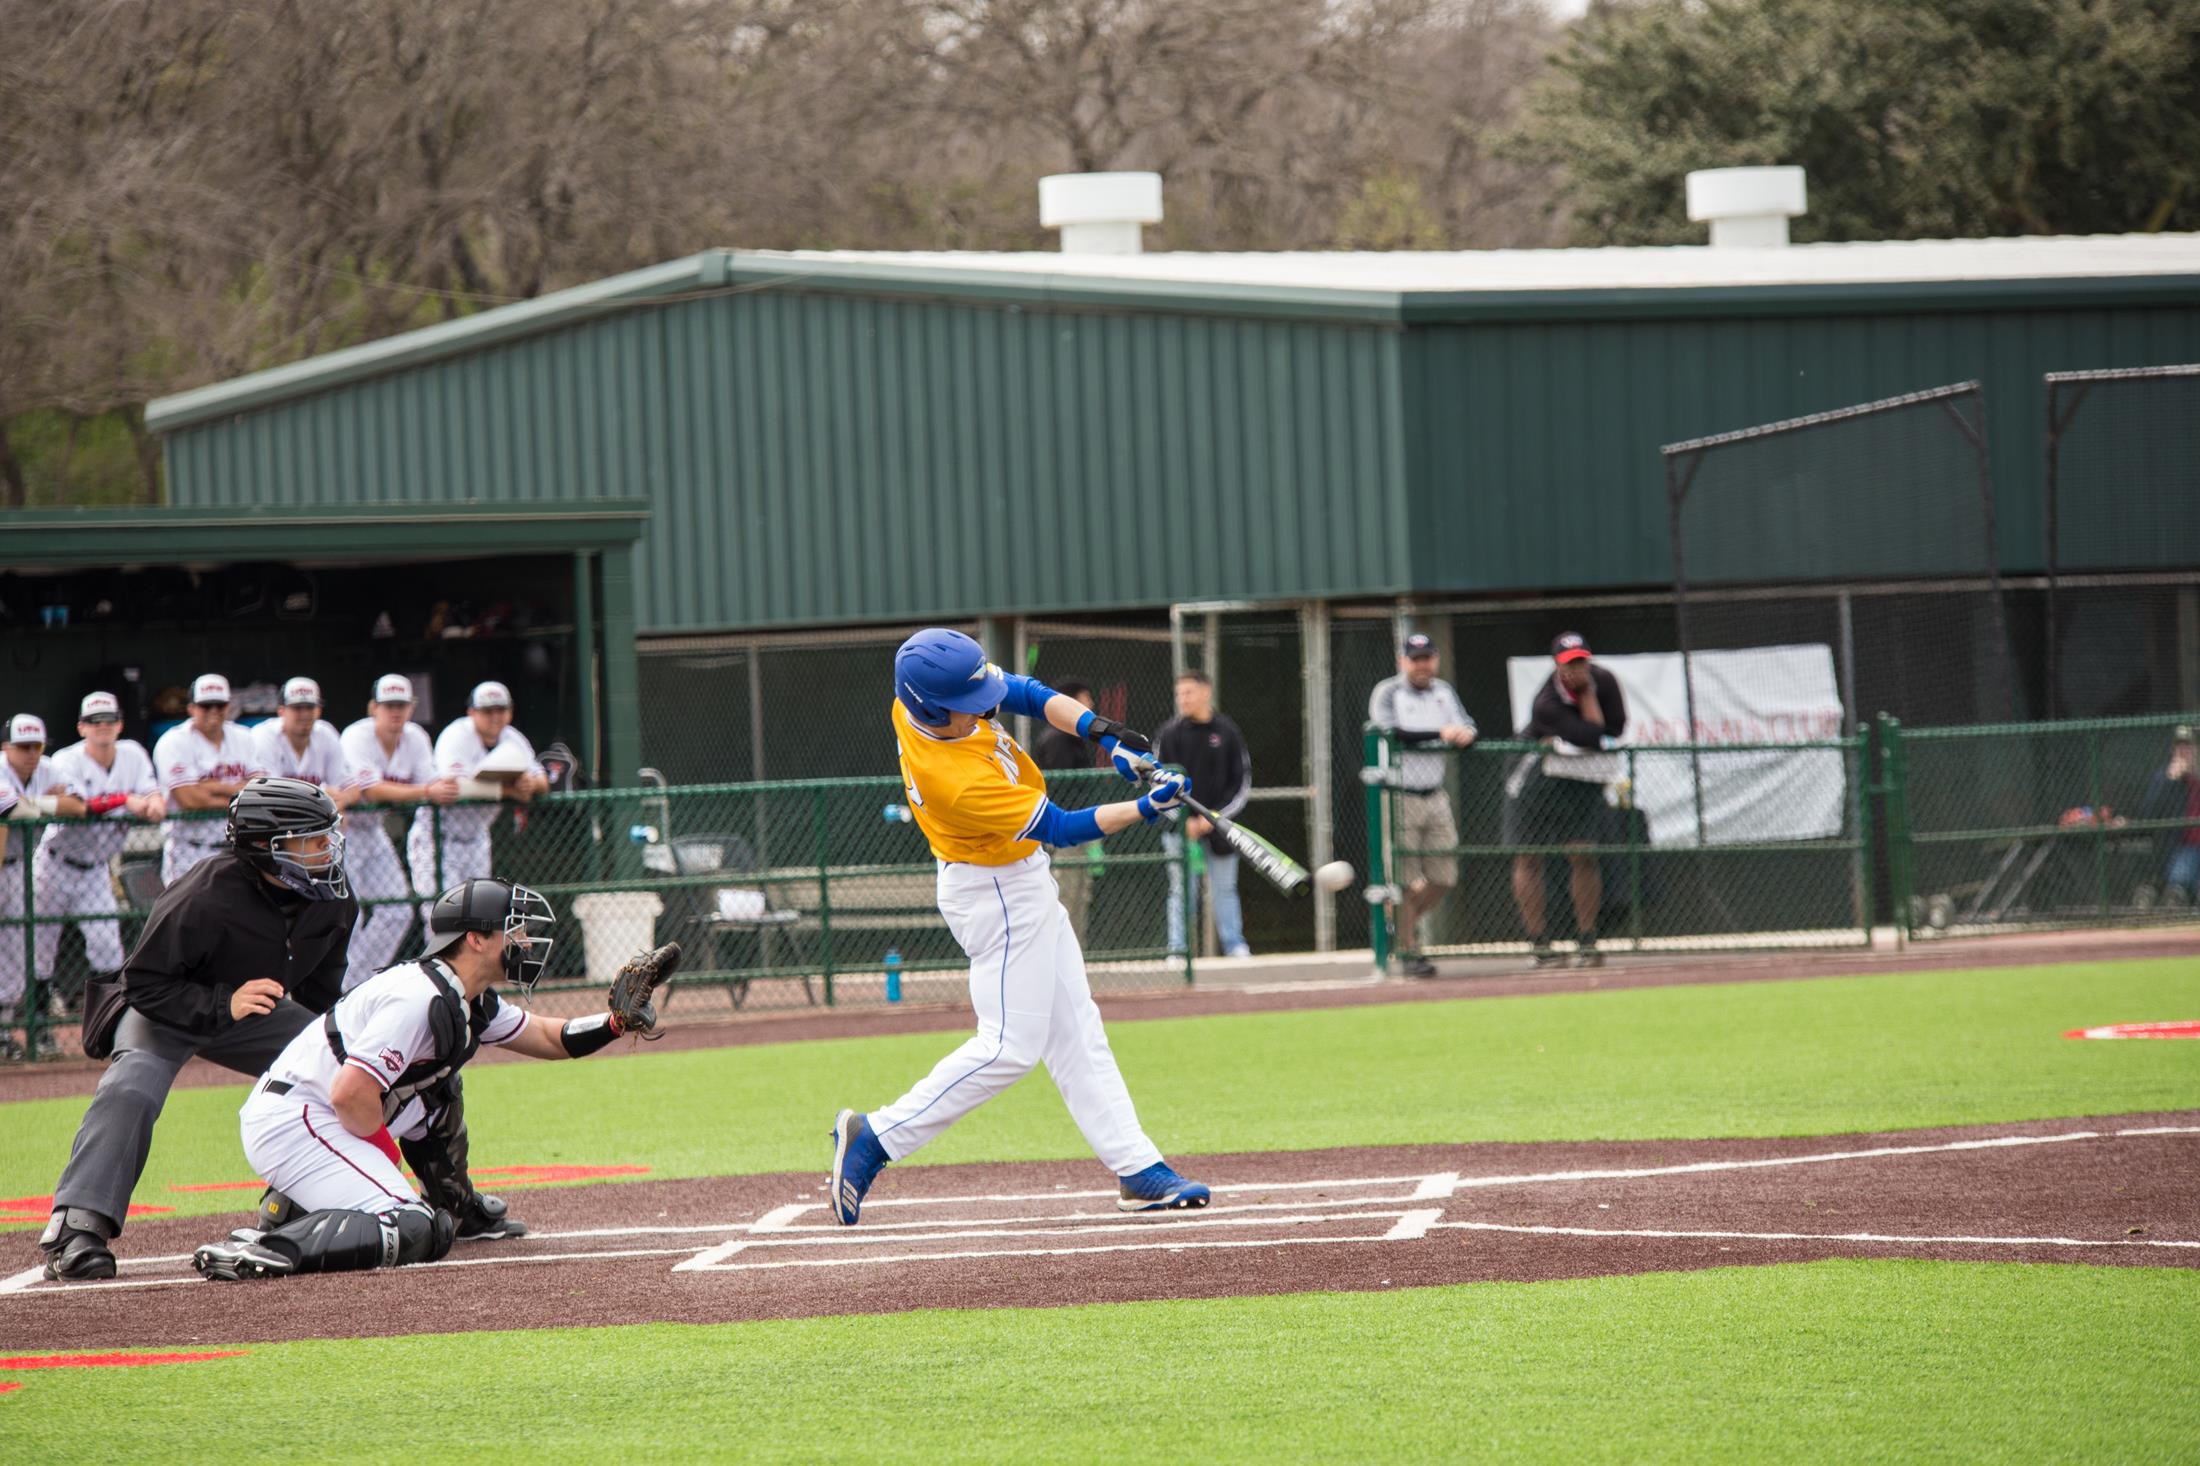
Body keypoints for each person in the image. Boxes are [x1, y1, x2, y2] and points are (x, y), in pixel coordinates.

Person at [827, 629, 1209, 1226]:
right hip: (995, 892)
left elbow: (1027, 692)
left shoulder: (922, 695)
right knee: (1009, 1047)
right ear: (932, 707)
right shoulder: (952, 778)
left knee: (1078, 1033)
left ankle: (1138, 1170)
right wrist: (1145, 807)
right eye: (971, 703)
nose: (986, 707)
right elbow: (1060, 827)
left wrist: (1105, 735)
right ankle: (874, 1137)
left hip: (1017, 881)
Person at [189, 878, 660, 1281]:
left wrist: (616, 1022)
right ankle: (267, 1248)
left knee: (438, 1094)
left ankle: (440, 1208)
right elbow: (351, 1094)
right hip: (298, 1119)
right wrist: (387, 1163)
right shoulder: (419, 998)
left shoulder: (464, 995)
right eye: (512, 929)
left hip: (317, 1116)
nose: (525, 940)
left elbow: (549, 1037)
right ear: (475, 939)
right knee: (414, 1227)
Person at [35, 777, 356, 1280]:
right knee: (131, 1086)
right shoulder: (205, 893)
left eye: (327, 836)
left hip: (252, 1013)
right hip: (166, 1005)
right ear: (267, 849)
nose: (327, 850)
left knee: (344, 1065)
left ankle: (309, 1203)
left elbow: (323, 998)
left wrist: (345, 1042)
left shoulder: (332, 897)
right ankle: (75, 1226)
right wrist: (223, 1002)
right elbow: (144, 983)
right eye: (312, 839)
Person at [36, 694, 165, 1026]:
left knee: (108, 948)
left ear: (120, 724)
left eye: (109, 720)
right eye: (94, 722)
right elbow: (82, 805)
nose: (102, 727)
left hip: (96, 871)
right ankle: (38, 1025)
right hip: (55, 864)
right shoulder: (65, 760)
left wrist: (152, 803)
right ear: (82, 728)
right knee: (41, 947)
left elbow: (152, 795)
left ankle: (106, 1022)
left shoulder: (133, 755)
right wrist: (128, 800)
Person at [1505, 633, 1628, 968]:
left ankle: (1587, 941)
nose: (1576, 669)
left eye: (1580, 661)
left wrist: (1588, 691)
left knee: (1583, 854)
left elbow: (1612, 730)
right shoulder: (1547, 702)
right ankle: (1540, 944)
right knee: (1529, 857)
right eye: (1568, 663)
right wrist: (1590, 714)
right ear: (1557, 666)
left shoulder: (1603, 681)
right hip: (1536, 777)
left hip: (1580, 778)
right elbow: (1591, 733)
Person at [1366, 633, 1477, 977]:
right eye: (1415, 658)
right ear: (1403, 661)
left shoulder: (1443, 691)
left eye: (1427, 657)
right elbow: (1391, 732)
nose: (1422, 664)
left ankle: (1397, 929)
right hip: (1400, 794)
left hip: (1435, 794)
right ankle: (1410, 950)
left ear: (1436, 659)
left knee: (1444, 876)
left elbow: (1466, 726)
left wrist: (1465, 735)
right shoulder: (1389, 691)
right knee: (1406, 880)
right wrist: (1440, 734)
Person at [340, 675, 457, 992]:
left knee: (398, 911)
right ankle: (341, 984)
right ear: (373, 708)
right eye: (389, 705)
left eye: (402, 705)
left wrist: (436, 788)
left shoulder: (415, 737)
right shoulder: (357, 736)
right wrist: (426, 790)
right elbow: (374, 791)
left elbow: (431, 783)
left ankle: (356, 983)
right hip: (343, 833)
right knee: (349, 916)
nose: (396, 712)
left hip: (374, 832)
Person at [408, 681, 549, 900]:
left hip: (477, 840)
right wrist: (509, 791)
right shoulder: (457, 734)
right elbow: (455, 787)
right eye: (487, 710)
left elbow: (542, 779)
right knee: (442, 912)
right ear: (472, 712)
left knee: (477, 913)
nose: (495, 716)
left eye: (500, 710)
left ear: (510, 712)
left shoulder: (512, 738)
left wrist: (530, 783)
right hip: (437, 837)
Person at [4, 715, 88, 1059]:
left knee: (12, 952)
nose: (31, 754)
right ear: (6, 746)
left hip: (18, 868)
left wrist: (34, 804)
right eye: (23, 746)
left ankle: (4, 1032)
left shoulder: (49, 769)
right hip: (7, 864)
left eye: (36, 746)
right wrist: (48, 803)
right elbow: (11, 810)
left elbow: (78, 807)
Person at [1156, 670, 1255, 958]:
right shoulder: (1169, 734)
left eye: (1188, 692)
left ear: (1206, 692)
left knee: (1226, 889)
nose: (1183, 699)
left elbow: (1241, 782)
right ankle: (1177, 951)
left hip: (1220, 829)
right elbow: (1157, 782)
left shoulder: (1227, 732)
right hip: (1180, 831)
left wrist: (1213, 818)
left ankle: (1235, 946)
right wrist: (1184, 820)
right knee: (1180, 891)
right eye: (1179, 693)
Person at [152, 673, 264, 887]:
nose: (213, 711)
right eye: (206, 705)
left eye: (219, 705)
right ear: (191, 708)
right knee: (192, 918)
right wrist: (239, 793)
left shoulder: (243, 736)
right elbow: (190, 800)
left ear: (228, 706)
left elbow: (259, 791)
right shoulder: (174, 741)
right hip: (191, 850)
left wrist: (212, 787)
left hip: (236, 849)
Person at [1029, 679, 1103, 942]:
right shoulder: (1058, 739)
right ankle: (1060, 949)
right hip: (1065, 829)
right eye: (1086, 699)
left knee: (1081, 893)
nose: (1091, 705)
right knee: (1066, 893)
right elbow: (1061, 788)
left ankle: (1076, 951)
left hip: (1080, 828)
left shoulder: (1075, 739)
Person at [2138, 724, 2200, 906]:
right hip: (2185, 847)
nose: (2183, 752)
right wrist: (2169, 781)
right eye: (2179, 748)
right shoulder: (2164, 778)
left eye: (2188, 747)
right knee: (2179, 881)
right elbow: (2148, 815)